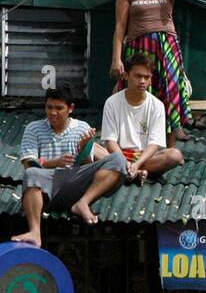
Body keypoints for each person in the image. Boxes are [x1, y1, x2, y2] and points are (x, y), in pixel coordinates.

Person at [11, 88, 129, 247]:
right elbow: (28, 162)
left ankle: (83, 203)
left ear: (70, 108)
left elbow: (87, 165)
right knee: (32, 173)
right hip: (47, 186)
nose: (53, 113)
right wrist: (55, 162)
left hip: (76, 182)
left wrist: (84, 148)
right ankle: (35, 232)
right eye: (49, 107)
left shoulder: (82, 128)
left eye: (59, 108)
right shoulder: (34, 128)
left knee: (118, 159)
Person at [110, 0, 194, 147]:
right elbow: (120, 28)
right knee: (138, 95)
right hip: (139, 47)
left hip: (167, 48)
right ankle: (134, 145)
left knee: (170, 93)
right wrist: (116, 59)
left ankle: (168, 149)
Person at [102, 55, 185, 183]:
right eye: (138, 76)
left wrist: (136, 164)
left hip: (144, 157)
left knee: (175, 155)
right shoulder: (112, 102)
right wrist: (124, 162)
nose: (142, 81)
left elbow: (154, 144)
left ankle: (128, 172)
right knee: (92, 149)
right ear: (125, 76)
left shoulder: (157, 105)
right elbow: (110, 142)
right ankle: (133, 172)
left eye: (147, 77)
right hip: (117, 156)